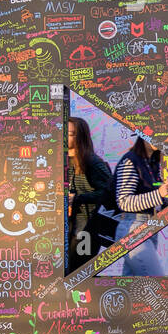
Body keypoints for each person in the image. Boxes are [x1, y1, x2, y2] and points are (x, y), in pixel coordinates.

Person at [112, 136, 168, 276]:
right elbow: (123, 201)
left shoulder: (152, 162)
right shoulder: (130, 160)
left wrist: (167, 202)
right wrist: (159, 194)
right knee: (155, 280)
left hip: (146, 227)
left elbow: (150, 197)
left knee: (133, 285)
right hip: (133, 228)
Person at [66, 116, 112, 273]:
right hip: (68, 228)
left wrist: (78, 198)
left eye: (70, 134)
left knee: (77, 271)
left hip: (86, 229)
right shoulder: (62, 160)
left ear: (80, 136)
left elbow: (109, 193)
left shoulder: (91, 162)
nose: (65, 136)